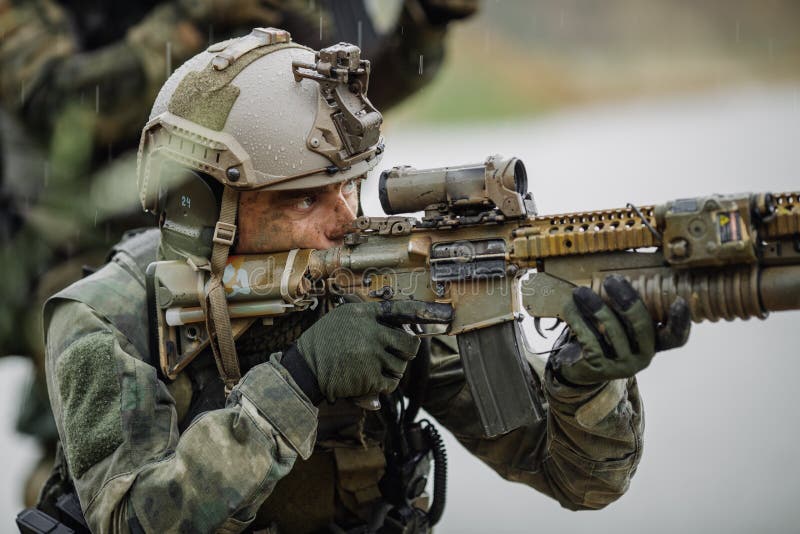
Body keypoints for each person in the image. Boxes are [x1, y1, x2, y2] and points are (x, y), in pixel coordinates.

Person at [37, 30, 690, 533]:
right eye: (306, 198)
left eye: (350, 185)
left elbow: (579, 482)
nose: (347, 219)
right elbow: (132, 522)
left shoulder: (373, 284)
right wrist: (299, 381)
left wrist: (586, 386)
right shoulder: (110, 320)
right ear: (201, 209)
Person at [0, 0, 478, 505]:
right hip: (78, 236)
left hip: (274, 223)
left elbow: (335, 106)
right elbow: (60, 107)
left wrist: (423, 27)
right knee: (94, 450)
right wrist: (191, 19)